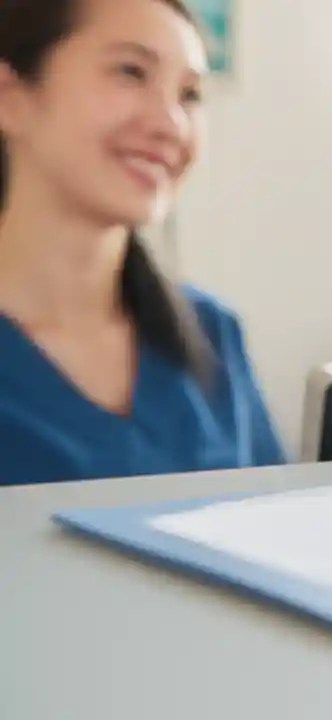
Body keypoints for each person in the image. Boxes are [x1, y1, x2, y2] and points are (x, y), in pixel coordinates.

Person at [0, 0, 286, 485]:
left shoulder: (212, 332)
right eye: (131, 72)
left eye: (190, 95)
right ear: (10, 98)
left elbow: (270, 529)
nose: (171, 124)